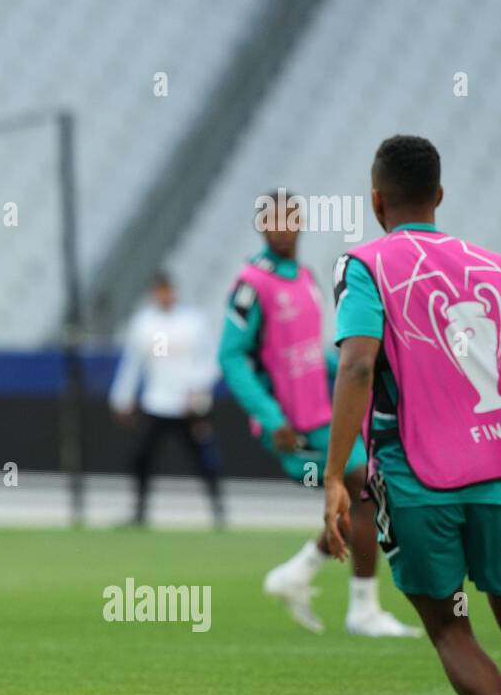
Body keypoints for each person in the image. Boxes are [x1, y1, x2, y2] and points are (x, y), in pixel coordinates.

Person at [325, 135, 501, 695]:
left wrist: (332, 475)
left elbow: (357, 367)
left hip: (416, 477)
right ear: (439, 194)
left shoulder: (366, 266)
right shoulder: (498, 268)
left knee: (451, 625)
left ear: (376, 200)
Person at [220, 191, 415, 637]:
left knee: (362, 496)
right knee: (366, 491)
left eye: (290, 219)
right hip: (293, 428)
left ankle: (300, 574)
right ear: (262, 226)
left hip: (324, 417)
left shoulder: (306, 278)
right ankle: (358, 606)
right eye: (273, 221)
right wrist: (270, 419)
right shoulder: (252, 285)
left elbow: (311, 354)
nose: (282, 228)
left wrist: (363, 369)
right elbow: (230, 357)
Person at [109, 271, 223, 528]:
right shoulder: (143, 323)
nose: (164, 296)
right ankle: (139, 511)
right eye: (159, 291)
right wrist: (122, 397)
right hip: (156, 402)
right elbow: (133, 363)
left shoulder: (193, 322)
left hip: (188, 406)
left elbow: (212, 359)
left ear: (174, 291)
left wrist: (197, 387)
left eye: (167, 290)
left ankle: (217, 511)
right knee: (141, 457)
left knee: (204, 458)